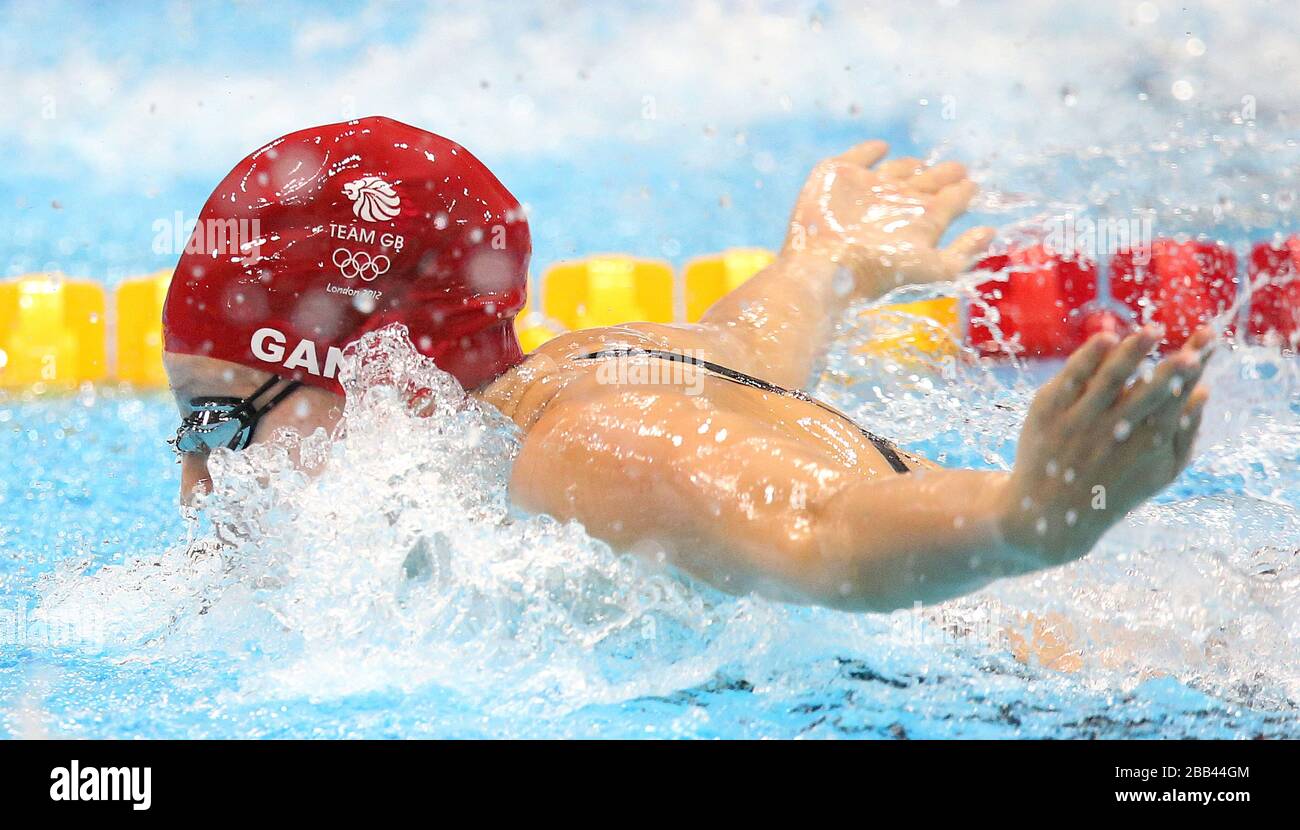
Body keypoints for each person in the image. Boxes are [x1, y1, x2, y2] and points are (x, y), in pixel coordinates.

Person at [163, 116, 1213, 612]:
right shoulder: (591, 371)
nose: (197, 479)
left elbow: (824, 529)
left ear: (379, 369)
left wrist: (1020, 520)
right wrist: (823, 261)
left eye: (219, 423)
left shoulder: (582, 447)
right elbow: (754, 343)